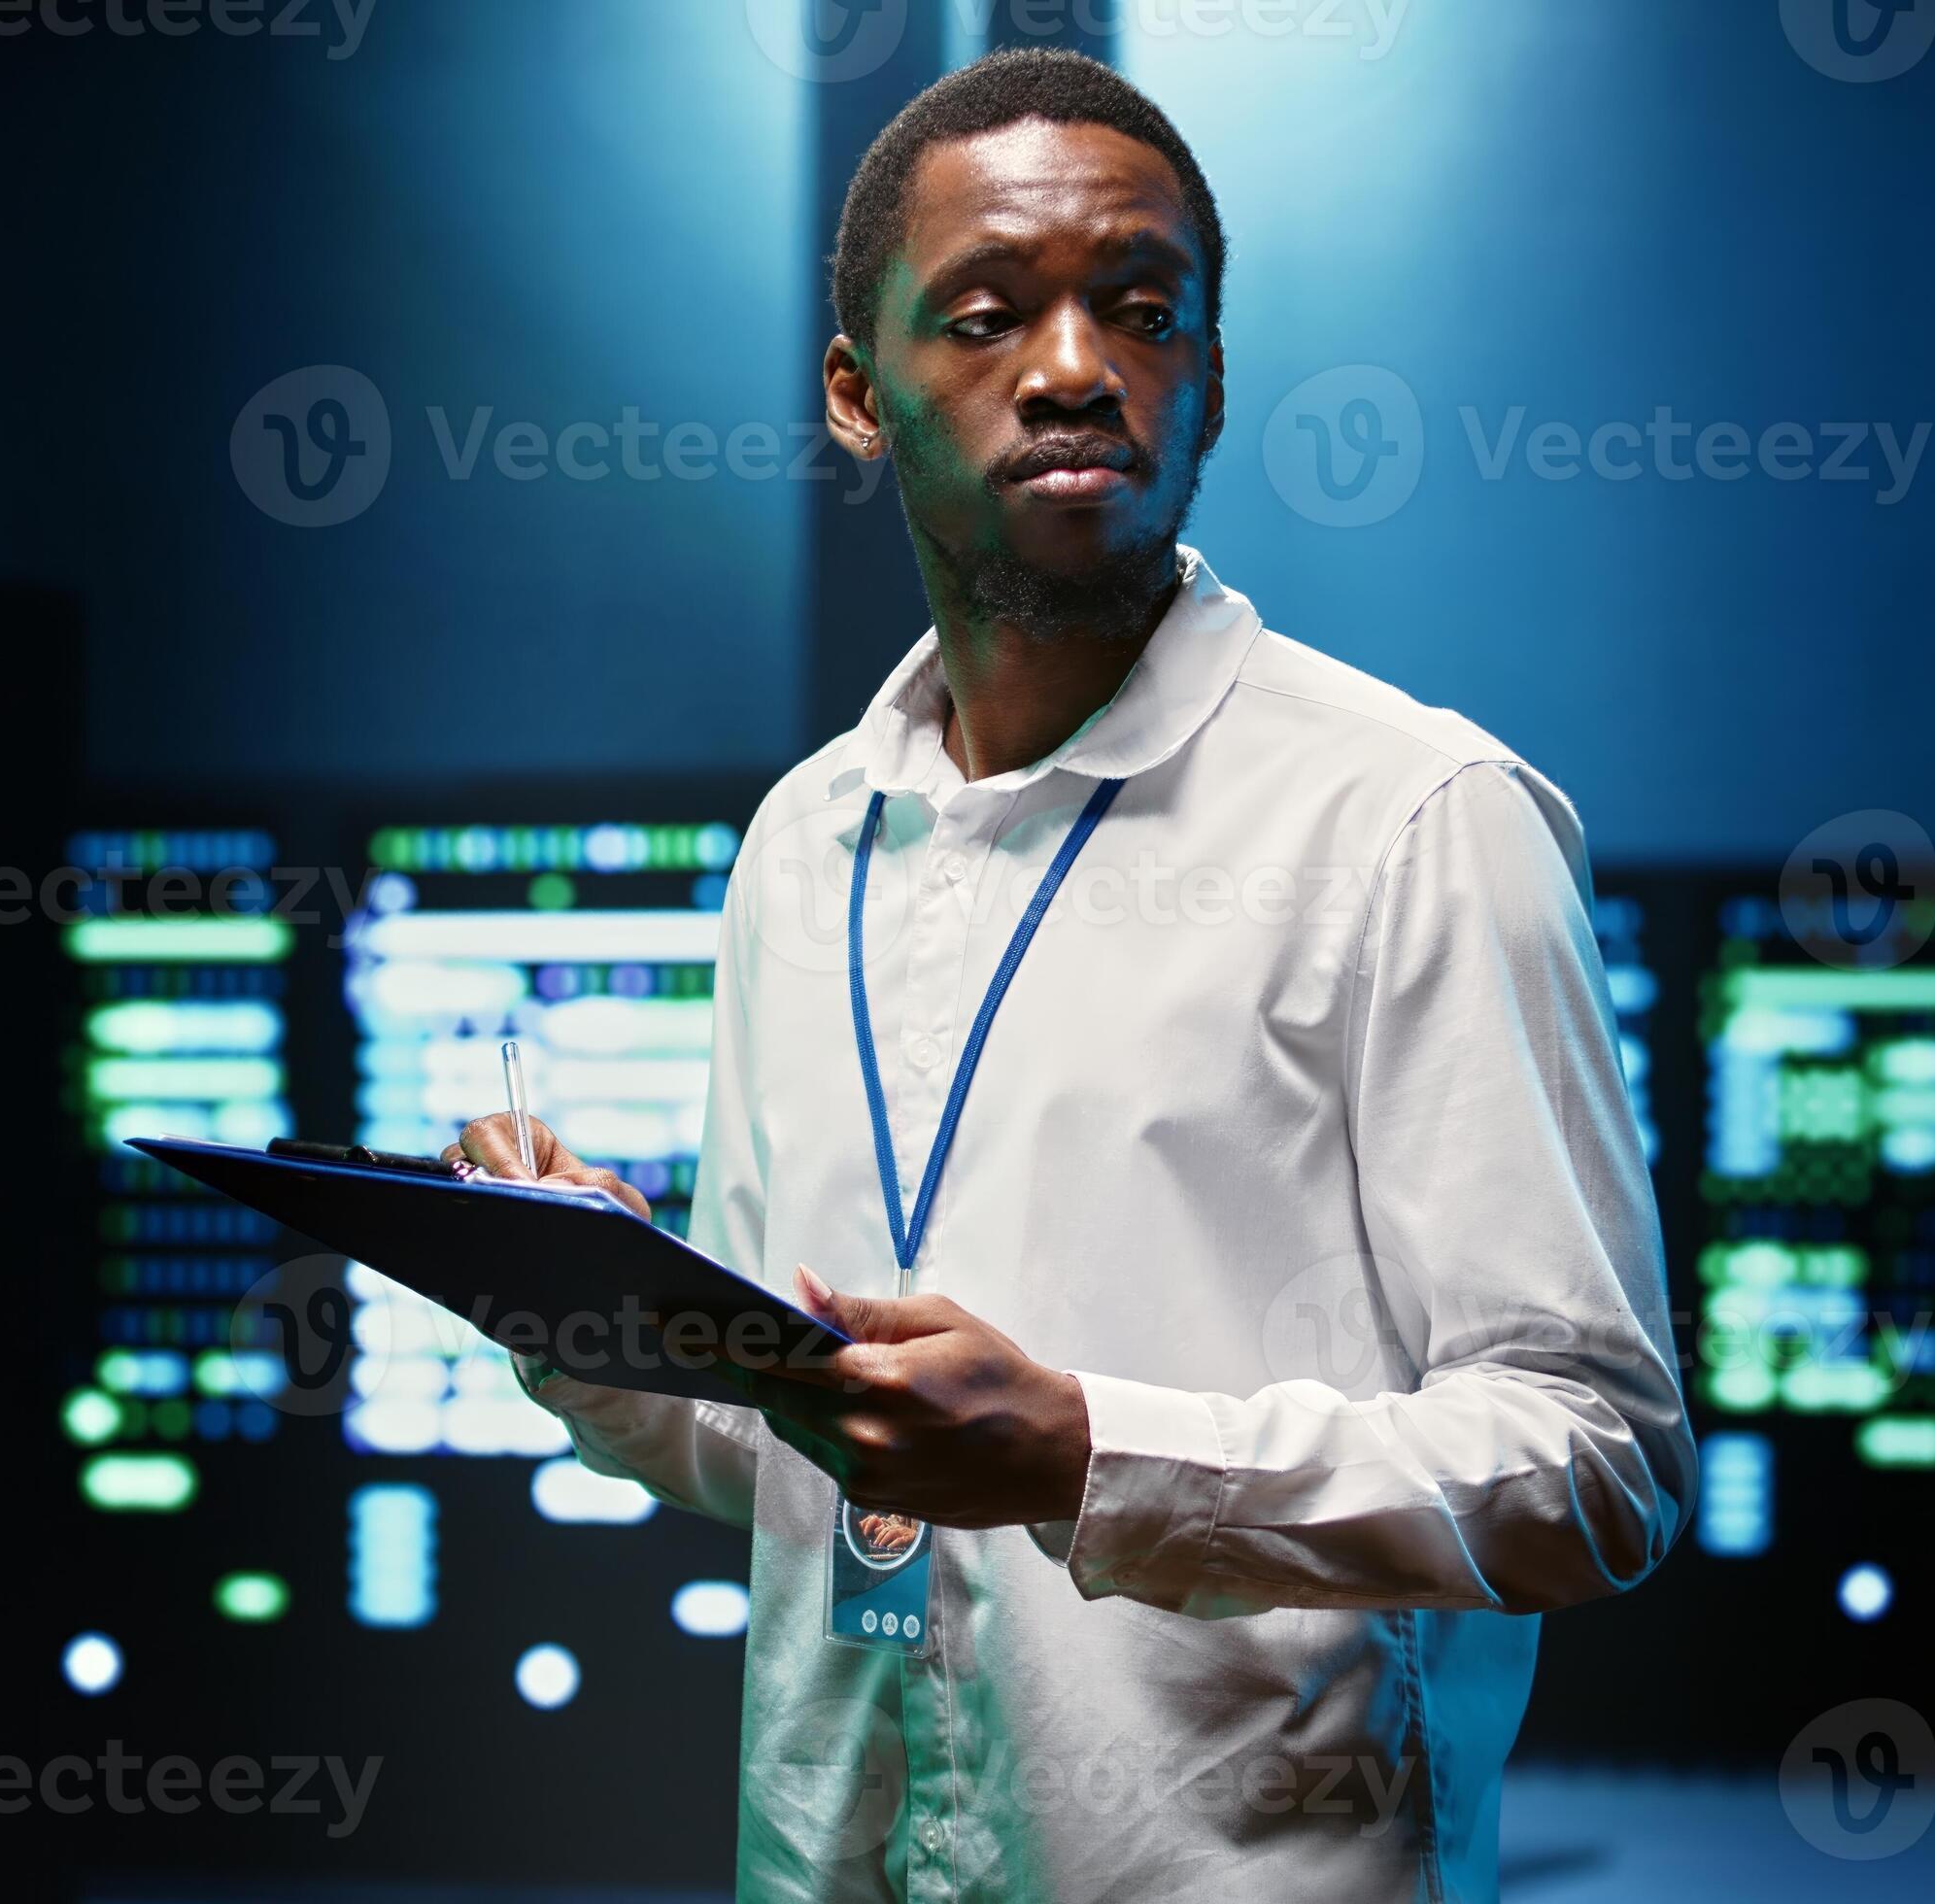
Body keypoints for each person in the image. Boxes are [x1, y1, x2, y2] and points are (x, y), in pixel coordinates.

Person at [449, 49, 1690, 1904]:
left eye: (1142, 307)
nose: (1073, 365)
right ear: (859, 400)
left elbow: (1595, 1464)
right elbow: (788, 1462)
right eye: (986, 313)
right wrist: (594, 1315)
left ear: (1207, 372)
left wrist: (1095, 1451)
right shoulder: (806, 840)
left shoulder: (1416, 816)